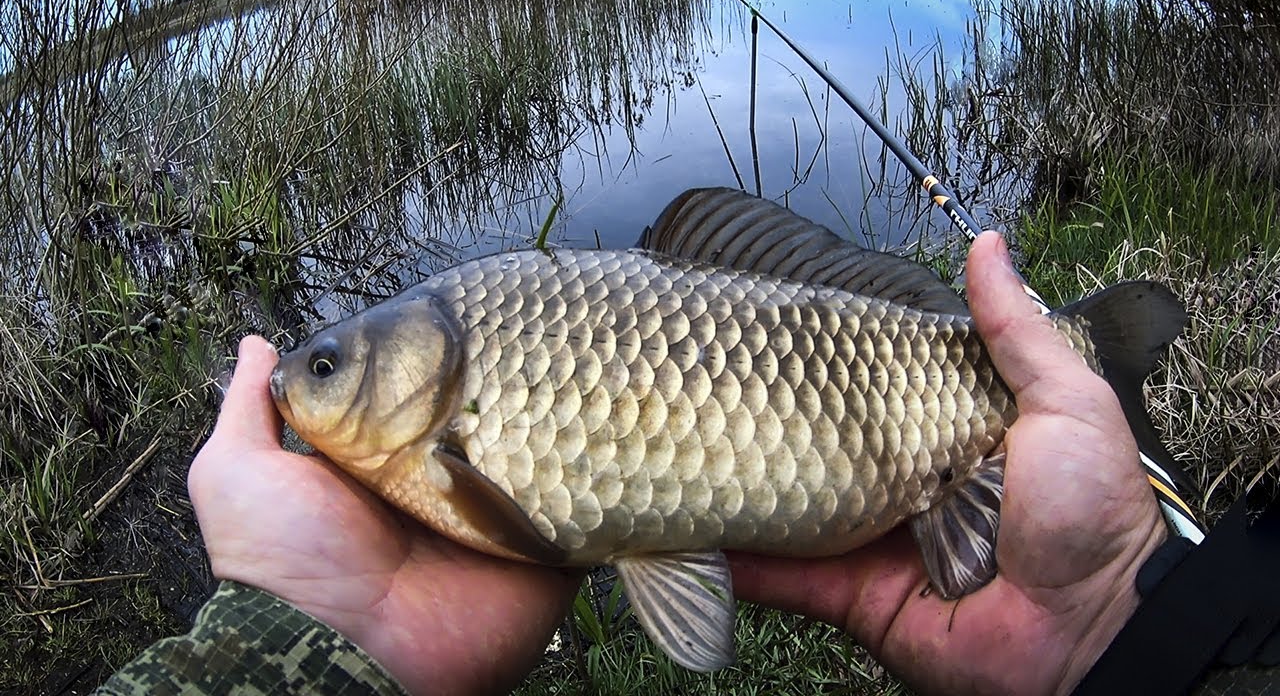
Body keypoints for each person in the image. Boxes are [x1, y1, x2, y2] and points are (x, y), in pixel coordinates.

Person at [94, 232, 1169, 696]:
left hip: (915, 425)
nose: (300, 387)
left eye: (325, 369)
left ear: (422, 361)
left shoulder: (458, 411)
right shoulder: (438, 432)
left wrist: (1107, 602)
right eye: (320, 370)